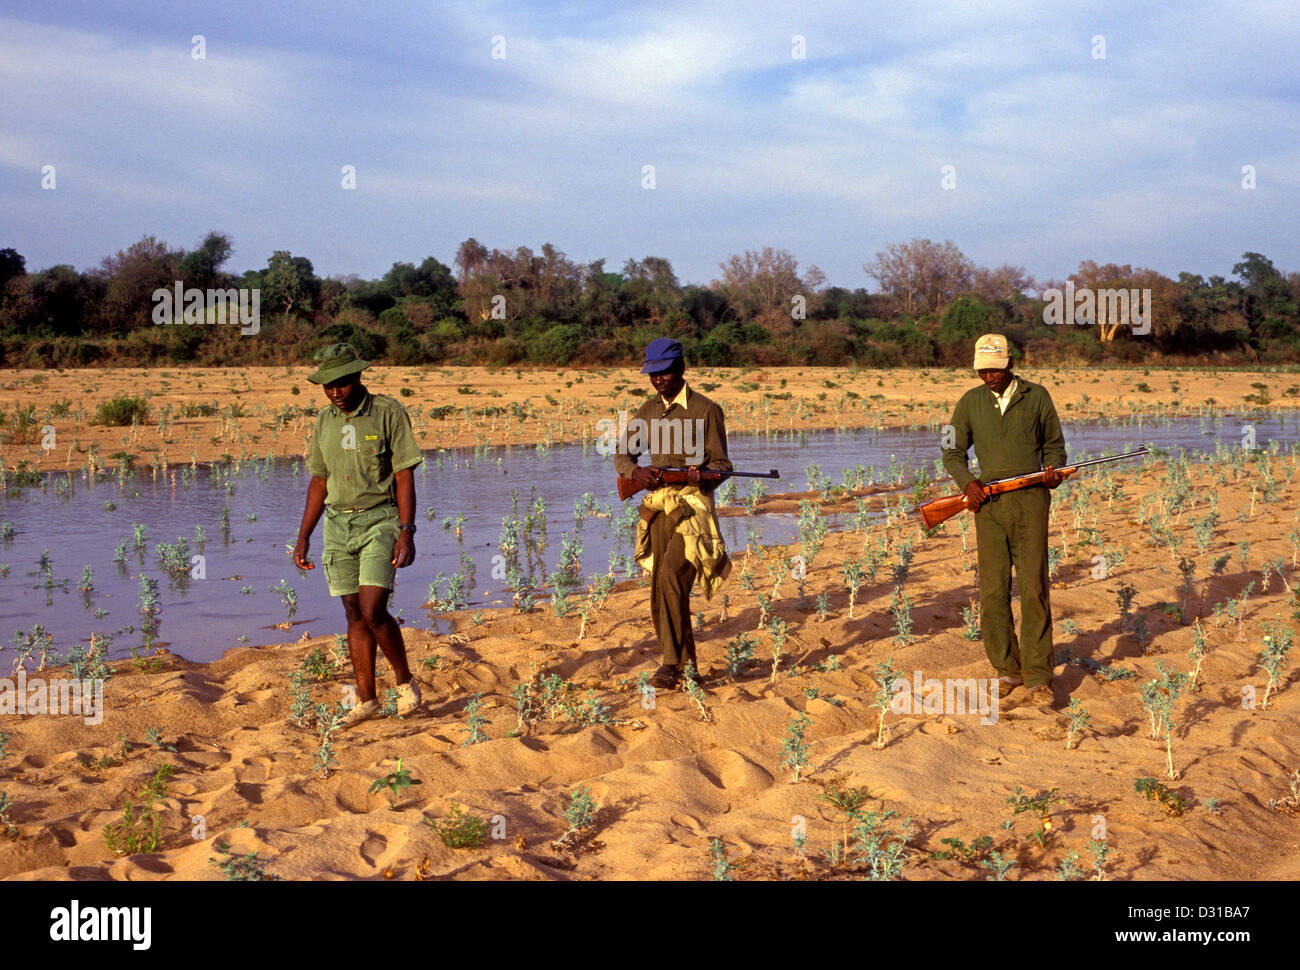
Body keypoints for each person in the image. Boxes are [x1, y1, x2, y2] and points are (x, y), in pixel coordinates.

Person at [292, 343, 424, 729]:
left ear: (358, 377)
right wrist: (303, 536)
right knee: (352, 613)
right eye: (328, 385)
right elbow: (319, 480)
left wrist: (406, 531)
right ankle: (367, 700)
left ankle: (404, 683)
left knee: (372, 609)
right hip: (337, 525)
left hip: (381, 520)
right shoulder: (323, 421)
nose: (336, 392)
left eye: (343, 384)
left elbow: (404, 474)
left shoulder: (387, 413)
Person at [941, 334, 1066, 712]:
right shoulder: (969, 403)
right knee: (993, 592)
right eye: (982, 371)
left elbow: (1055, 446)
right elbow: (950, 450)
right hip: (989, 508)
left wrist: (1052, 470)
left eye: (995, 369)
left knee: (1034, 589)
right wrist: (969, 484)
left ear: (1010, 364)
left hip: (1031, 503)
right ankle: (1007, 670)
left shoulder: (1038, 396)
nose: (989, 377)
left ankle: (1040, 676)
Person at [613, 338, 732, 689]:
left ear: (680, 368)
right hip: (659, 506)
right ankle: (687, 666)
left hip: (693, 507)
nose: (658, 379)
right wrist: (637, 474)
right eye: (652, 373)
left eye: (664, 372)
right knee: (661, 589)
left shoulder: (706, 409)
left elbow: (723, 464)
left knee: (670, 577)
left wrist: (704, 476)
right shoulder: (647, 411)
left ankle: (670, 665)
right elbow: (623, 456)